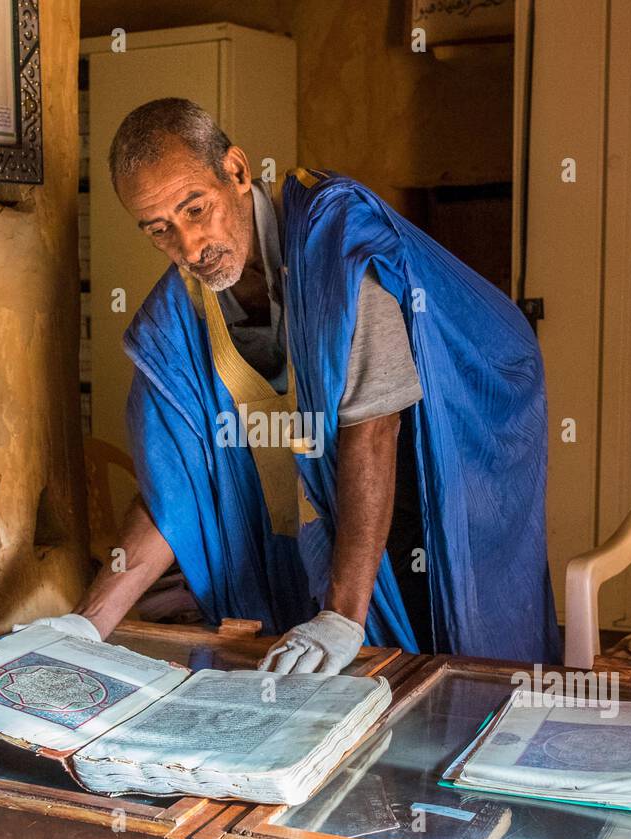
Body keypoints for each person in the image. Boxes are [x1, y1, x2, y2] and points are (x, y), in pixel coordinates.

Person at [28, 98, 559, 674]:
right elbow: (174, 489)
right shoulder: (173, 319)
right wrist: (89, 622)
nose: (188, 246)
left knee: (447, 631)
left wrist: (343, 616)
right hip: (332, 490)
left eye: (195, 208)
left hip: (436, 446)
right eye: (160, 229)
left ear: (235, 171)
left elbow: (374, 427)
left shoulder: (338, 237)